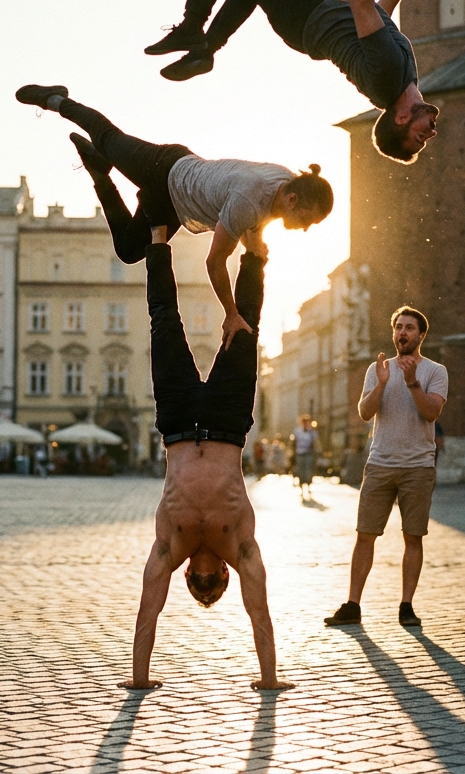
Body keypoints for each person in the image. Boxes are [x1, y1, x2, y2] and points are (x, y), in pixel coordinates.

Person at [15, 86, 332, 348]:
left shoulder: (286, 180)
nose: (305, 229)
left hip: (174, 204)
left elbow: (258, 220)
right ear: (292, 199)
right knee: (107, 137)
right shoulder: (246, 200)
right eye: (308, 219)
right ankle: (56, 100)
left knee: (128, 250)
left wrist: (256, 241)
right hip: (164, 168)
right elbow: (215, 262)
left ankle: (99, 173)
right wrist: (231, 312)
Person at [121, 222, 290, 691]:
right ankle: (255, 252)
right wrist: (269, 680)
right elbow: (259, 611)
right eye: (207, 573)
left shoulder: (169, 547)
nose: (200, 566)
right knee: (245, 325)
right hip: (227, 422)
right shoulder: (237, 545)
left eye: (197, 575)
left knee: (164, 323)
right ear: (220, 571)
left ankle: (159, 239)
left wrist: (139, 680)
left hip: (177, 422)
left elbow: (147, 611)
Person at [142, 0, 439, 164]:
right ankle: (206, 51)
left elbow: (361, 1)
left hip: (302, 13)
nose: (431, 133)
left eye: (420, 137)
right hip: (311, 12)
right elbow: (376, 17)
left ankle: (192, 27)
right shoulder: (403, 79)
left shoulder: (388, 78)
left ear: (401, 119)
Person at [325, 306, 447, 628]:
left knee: (413, 537)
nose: (402, 333)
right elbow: (365, 412)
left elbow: (432, 413)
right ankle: (353, 605)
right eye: (398, 327)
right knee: (364, 535)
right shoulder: (378, 368)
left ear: (421, 335)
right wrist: (381, 383)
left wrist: (411, 382)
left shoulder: (436, 371)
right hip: (379, 463)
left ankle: (406, 605)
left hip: (418, 466)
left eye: (409, 328)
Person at [291, 414, 319, 499]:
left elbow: (315, 443)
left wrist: (316, 453)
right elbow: (293, 442)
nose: (305, 424)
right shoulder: (297, 431)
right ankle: (302, 488)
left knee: (308, 471)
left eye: (307, 422)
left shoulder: (312, 432)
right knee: (300, 471)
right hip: (299, 454)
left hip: (309, 454)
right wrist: (292, 453)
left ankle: (309, 487)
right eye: (304, 422)